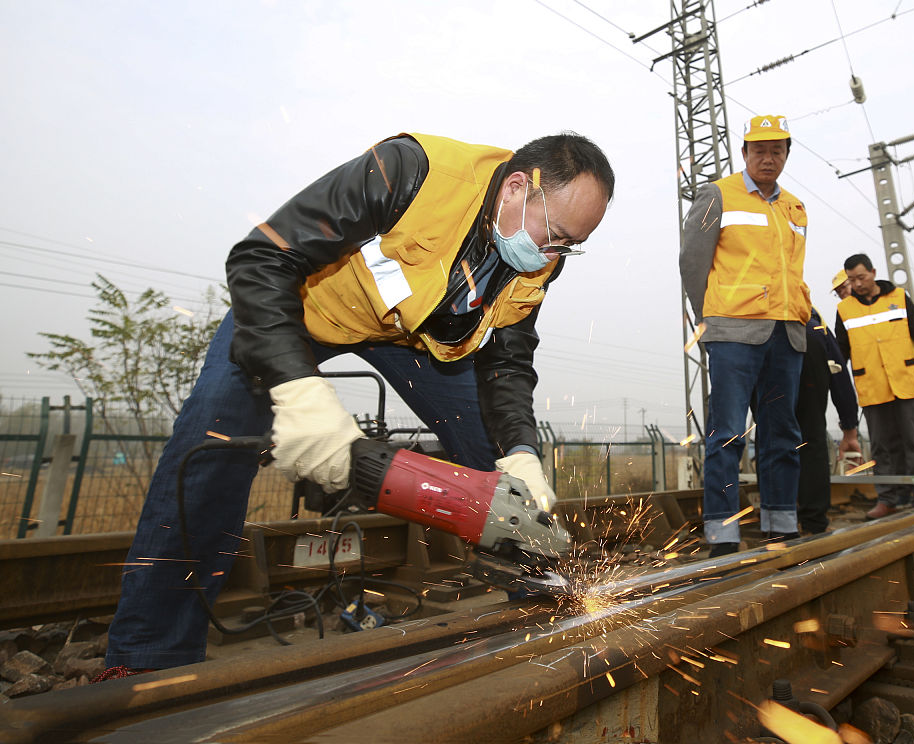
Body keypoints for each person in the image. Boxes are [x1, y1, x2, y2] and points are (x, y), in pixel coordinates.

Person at [98, 131, 615, 677]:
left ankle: (545, 615)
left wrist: (519, 448)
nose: (555, 255)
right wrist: (298, 390)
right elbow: (261, 258)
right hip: (307, 308)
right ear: (517, 188)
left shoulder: (539, 254)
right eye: (555, 235)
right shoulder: (413, 171)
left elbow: (506, 360)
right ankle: (146, 658)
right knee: (210, 442)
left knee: (501, 474)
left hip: (415, 339)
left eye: (569, 246)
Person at [680, 114, 811, 556]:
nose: (768, 158)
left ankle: (781, 522)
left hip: (786, 333)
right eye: (759, 150)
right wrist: (710, 316)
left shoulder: (795, 208)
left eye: (777, 150)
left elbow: (792, 270)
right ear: (745, 154)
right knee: (728, 433)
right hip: (733, 331)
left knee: (782, 433)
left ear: (786, 155)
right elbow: (692, 262)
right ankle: (722, 530)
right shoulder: (718, 194)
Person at [835, 254, 914, 518]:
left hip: (905, 381)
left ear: (873, 272)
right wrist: (831, 369)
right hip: (871, 385)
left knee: (913, 441)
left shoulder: (899, 298)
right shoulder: (845, 310)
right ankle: (888, 498)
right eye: (852, 280)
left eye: (861, 277)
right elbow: (841, 349)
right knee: (882, 445)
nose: (856, 284)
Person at [793, 308, 861, 534]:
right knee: (812, 436)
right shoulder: (815, 324)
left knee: (772, 435)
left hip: (761, 338)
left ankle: (777, 521)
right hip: (808, 340)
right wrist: (850, 429)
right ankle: (813, 522)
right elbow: (840, 376)